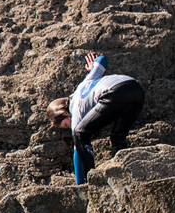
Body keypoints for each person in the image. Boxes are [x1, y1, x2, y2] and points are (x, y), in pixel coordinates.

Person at [47, 52, 146, 184]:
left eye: (65, 124)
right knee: (117, 137)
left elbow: (78, 149)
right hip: (136, 89)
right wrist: (93, 67)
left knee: (79, 133)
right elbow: (102, 59)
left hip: (114, 93)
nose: (69, 127)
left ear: (64, 113)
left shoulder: (75, 109)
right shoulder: (85, 82)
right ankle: (127, 174)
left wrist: (79, 183)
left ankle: (90, 181)